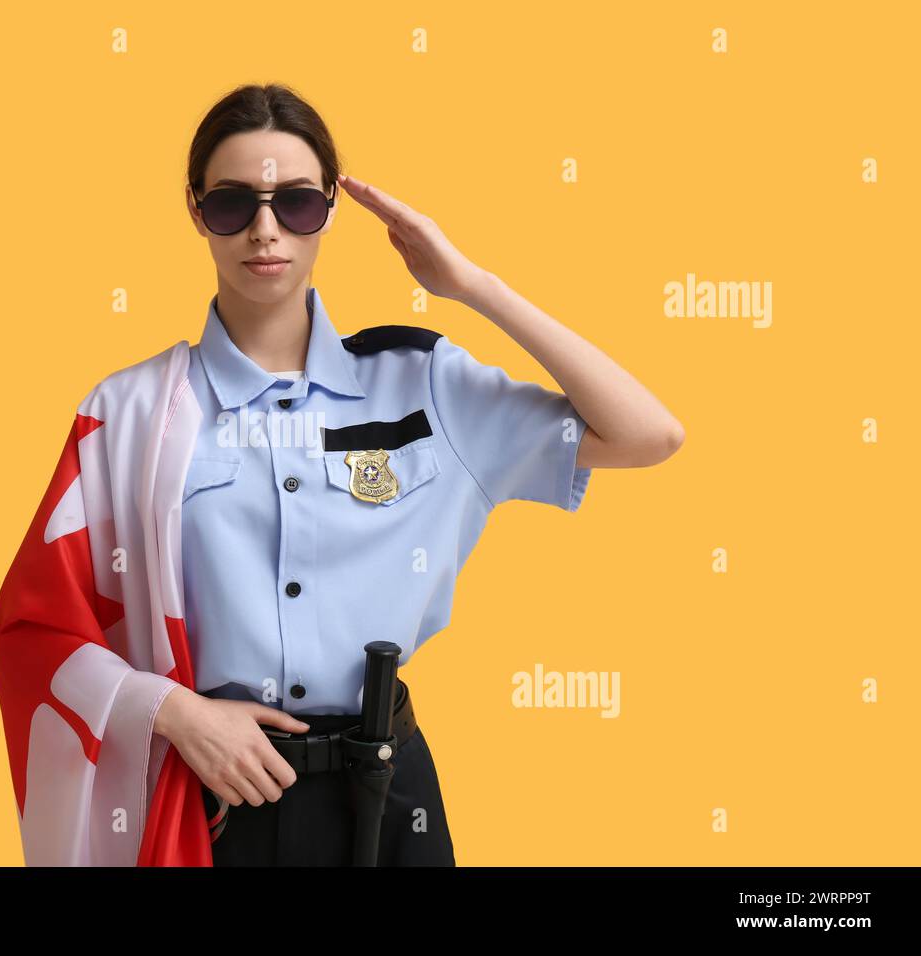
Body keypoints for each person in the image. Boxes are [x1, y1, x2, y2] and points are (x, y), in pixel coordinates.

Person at [146, 83, 685, 866]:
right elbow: (61, 627)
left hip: (388, 796)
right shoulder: (143, 409)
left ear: (331, 207)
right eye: (234, 204)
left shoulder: (425, 385)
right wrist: (171, 713)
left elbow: (649, 435)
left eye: (296, 202)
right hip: (216, 787)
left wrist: (473, 287)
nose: (266, 230)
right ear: (196, 210)